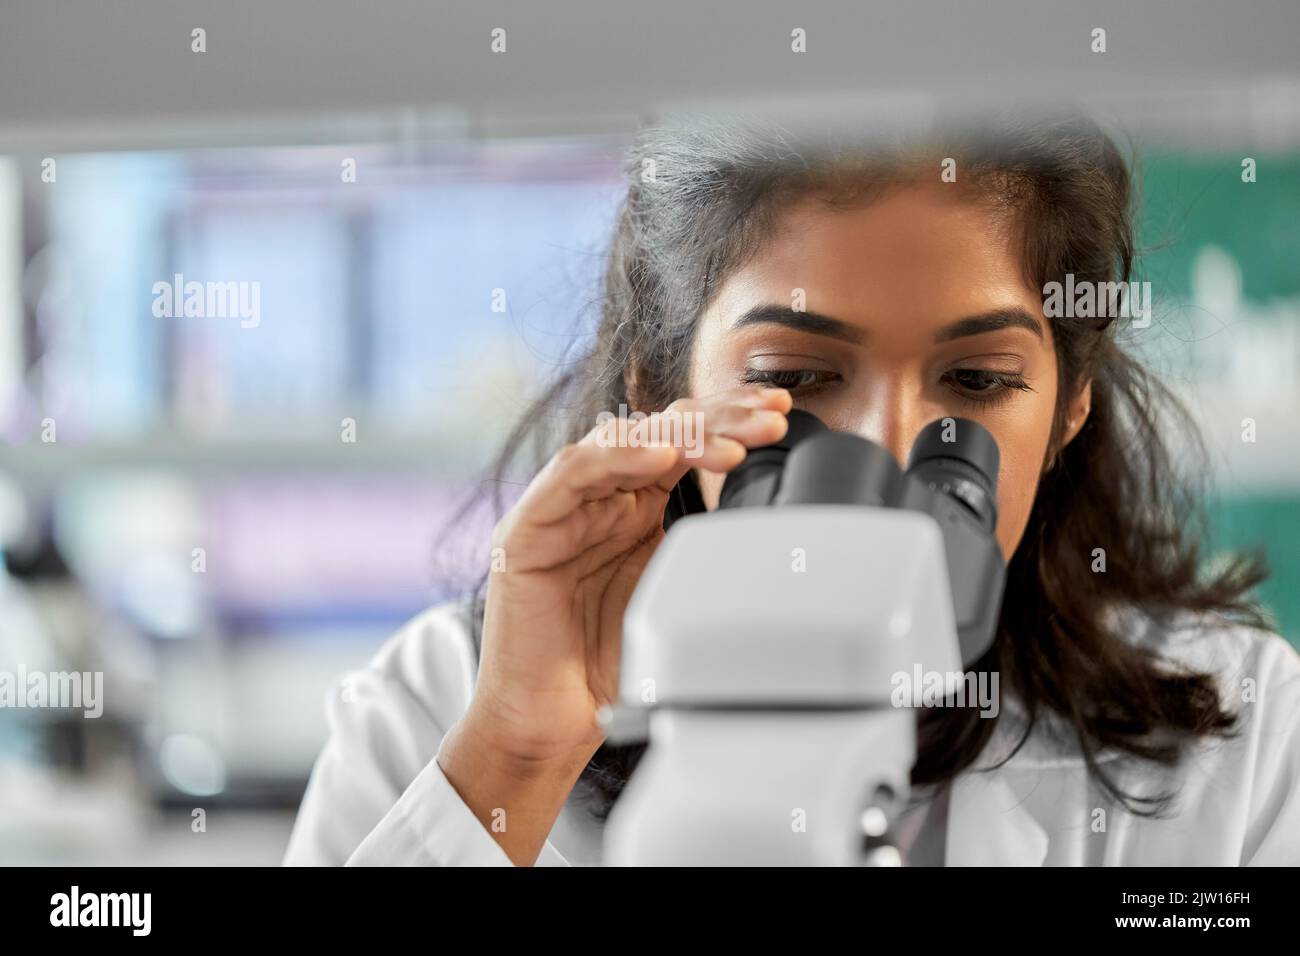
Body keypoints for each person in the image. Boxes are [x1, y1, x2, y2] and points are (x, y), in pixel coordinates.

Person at [283, 112, 1300, 866]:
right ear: (656, 387)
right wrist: (517, 749)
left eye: (977, 384)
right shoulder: (437, 708)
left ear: (1070, 401)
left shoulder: (1244, 733)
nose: (889, 452)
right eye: (798, 380)